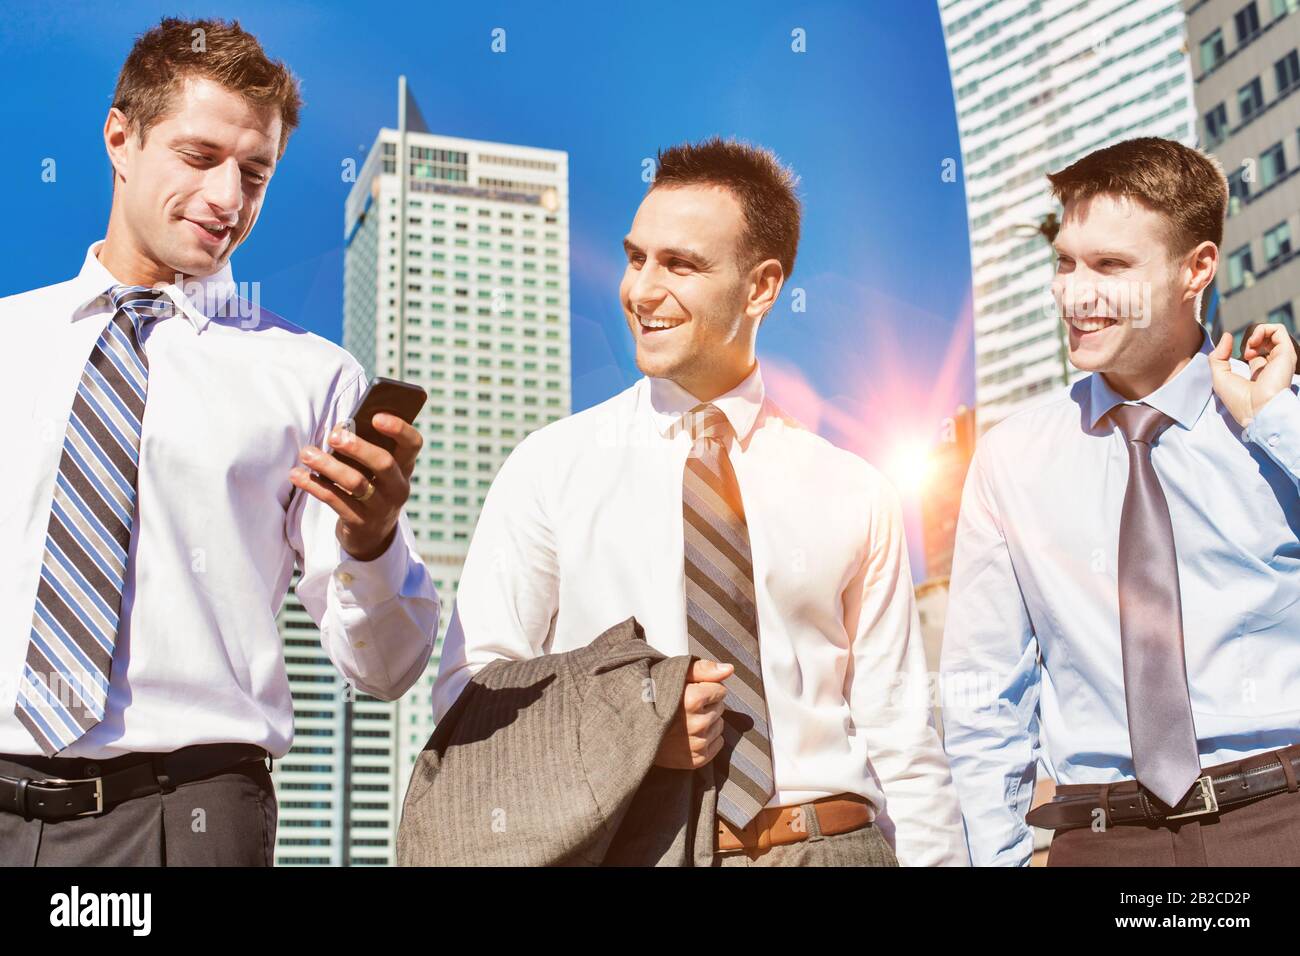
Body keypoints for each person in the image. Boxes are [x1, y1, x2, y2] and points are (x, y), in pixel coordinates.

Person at [431, 137, 967, 866]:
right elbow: (470, 694)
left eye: (680, 264)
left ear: (762, 287)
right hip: (639, 847)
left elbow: (904, 739)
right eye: (636, 257)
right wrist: (633, 731)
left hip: (833, 844)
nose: (642, 290)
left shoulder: (853, 489)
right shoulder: (549, 468)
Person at [0, 17, 440, 865]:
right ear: (120, 138)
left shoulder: (311, 378)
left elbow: (385, 668)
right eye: (200, 158)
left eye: (255, 173)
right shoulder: (9, 341)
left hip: (187, 818)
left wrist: (373, 541)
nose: (227, 201)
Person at [941, 136, 1300, 866]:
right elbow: (985, 698)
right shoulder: (1013, 458)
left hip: (1283, 819)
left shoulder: (1274, 423)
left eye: (1111, 266)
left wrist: (1275, 423)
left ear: (1195, 269)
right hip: (1102, 838)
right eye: (1066, 263)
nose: (1075, 292)